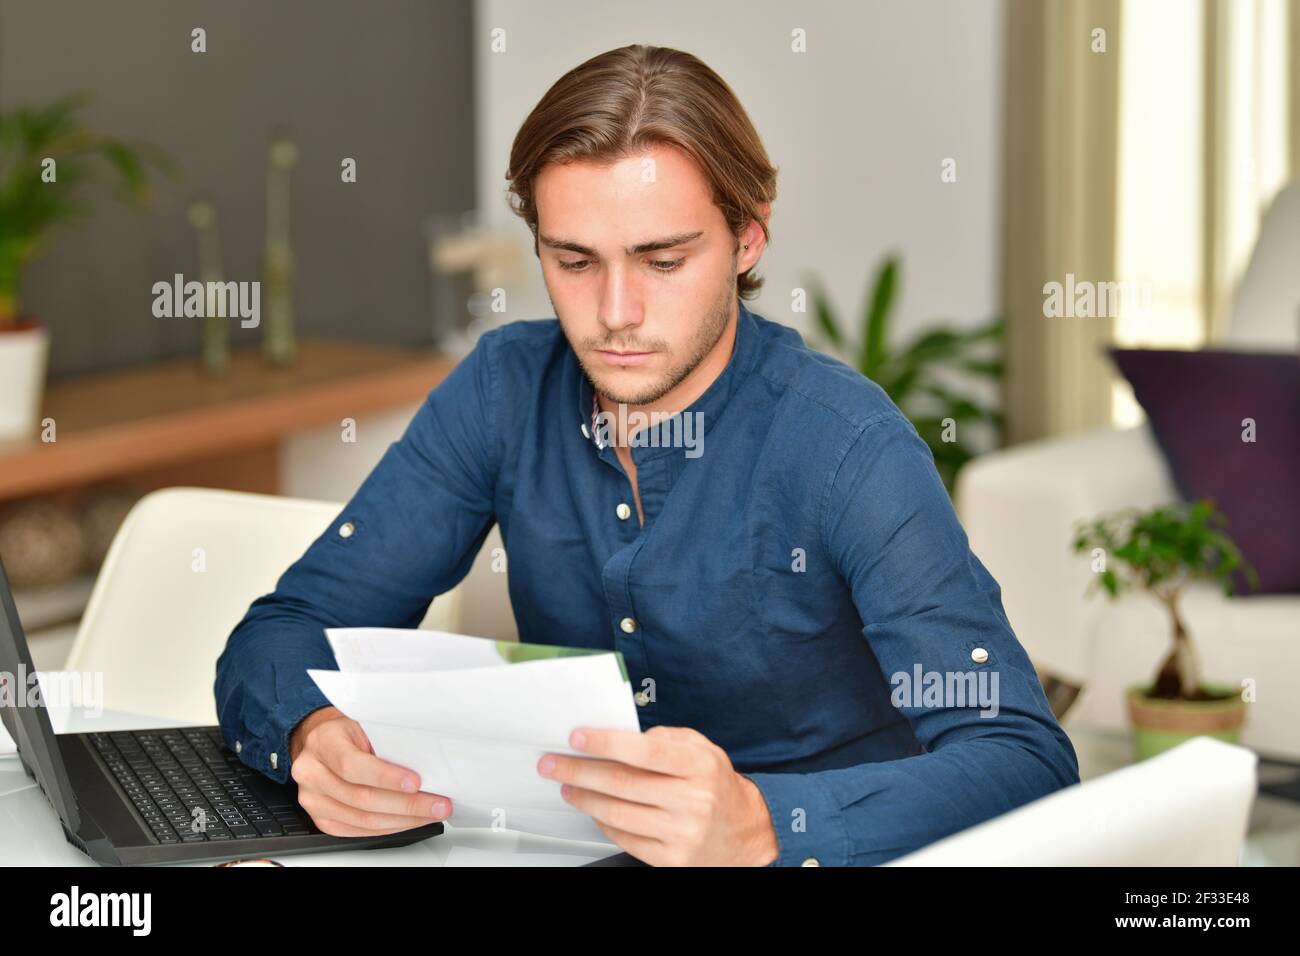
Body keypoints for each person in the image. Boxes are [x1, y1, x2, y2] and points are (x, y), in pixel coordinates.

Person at [215, 43, 1079, 866]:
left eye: (662, 260)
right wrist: (311, 736)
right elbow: (284, 633)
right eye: (574, 260)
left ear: (747, 239)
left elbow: (1023, 758)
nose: (615, 312)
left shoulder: (848, 445)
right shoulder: (502, 390)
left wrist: (765, 825)